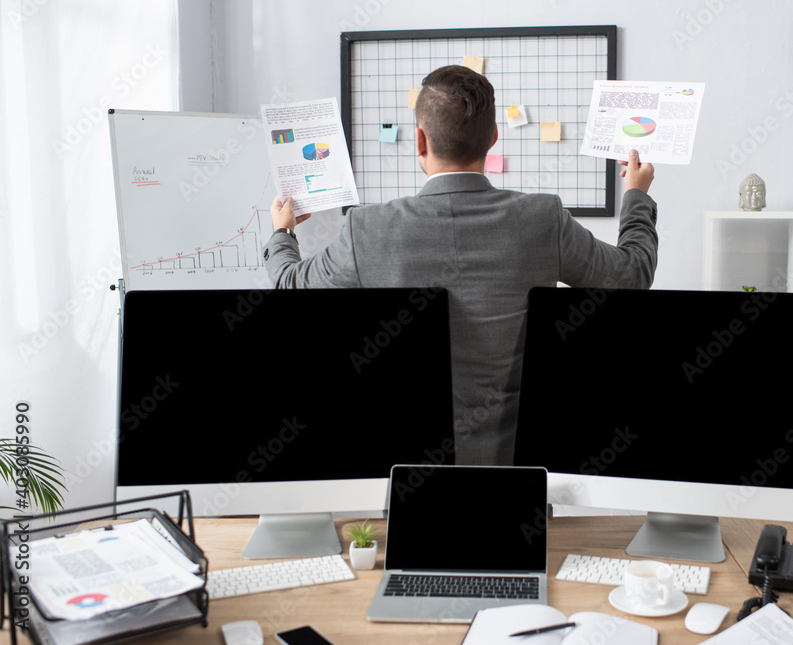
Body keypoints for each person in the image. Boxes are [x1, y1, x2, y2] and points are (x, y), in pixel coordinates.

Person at [264, 64, 658, 465]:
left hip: (402, 475)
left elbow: (287, 289)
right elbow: (632, 275)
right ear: (493, 137)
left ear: (419, 140)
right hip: (518, 472)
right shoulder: (543, 218)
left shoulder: (367, 229)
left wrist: (284, 232)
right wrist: (636, 196)